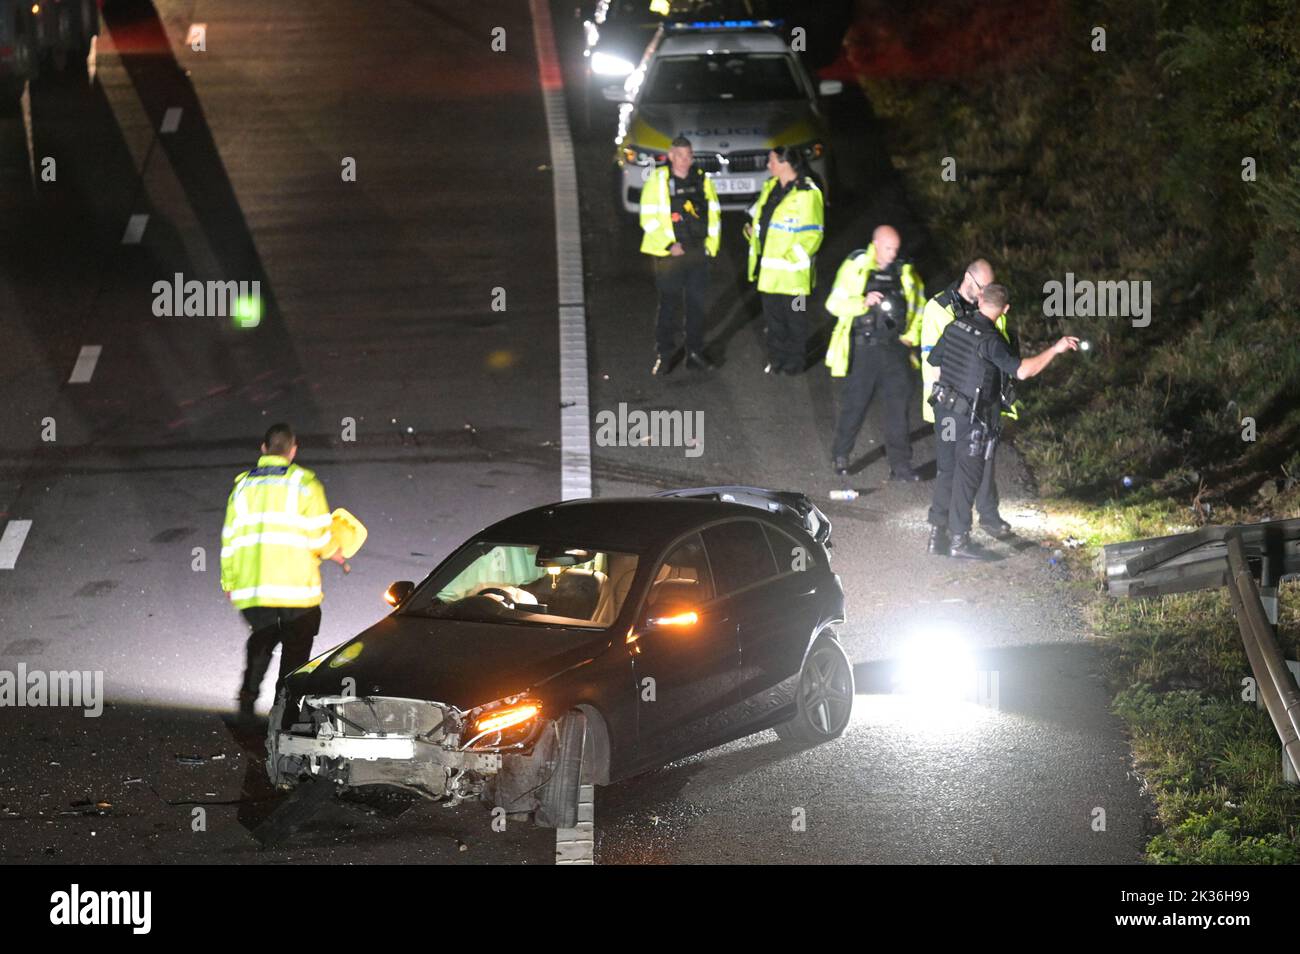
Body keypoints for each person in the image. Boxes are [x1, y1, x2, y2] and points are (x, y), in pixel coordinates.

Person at [927, 285, 1078, 558]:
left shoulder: (955, 326)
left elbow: (934, 360)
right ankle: (959, 542)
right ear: (1005, 309)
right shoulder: (991, 340)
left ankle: (936, 535)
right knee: (966, 478)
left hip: (945, 416)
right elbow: (1022, 371)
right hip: (970, 423)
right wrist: (1055, 349)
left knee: (946, 471)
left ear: (980, 299)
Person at [220, 423, 345, 721]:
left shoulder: (243, 485)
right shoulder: (306, 484)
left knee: (262, 641)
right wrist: (334, 552)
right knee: (296, 654)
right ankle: (286, 711)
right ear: (293, 450)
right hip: (297, 592)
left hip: (255, 590)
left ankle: (247, 700)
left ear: (264, 449)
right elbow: (319, 537)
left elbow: (230, 538)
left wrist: (229, 580)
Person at [919, 259, 1017, 549]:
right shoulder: (940, 309)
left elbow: (1004, 353)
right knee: (953, 469)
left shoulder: (988, 308)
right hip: (955, 406)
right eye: (982, 287)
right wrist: (947, 403)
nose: (985, 293)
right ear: (967, 279)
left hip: (983, 405)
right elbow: (934, 360)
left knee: (982, 462)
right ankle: (950, 533)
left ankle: (982, 517)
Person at [824, 225, 926, 479]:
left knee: (897, 408)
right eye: (888, 248)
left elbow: (919, 306)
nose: (892, 254)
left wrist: (909, 337)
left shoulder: (905, 271)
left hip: (895, 349)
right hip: (864, 348)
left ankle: (900, 465)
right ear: (876, 244)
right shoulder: (856, 266)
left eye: (896, 248)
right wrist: (862, 302)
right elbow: (833, 304)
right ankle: (841, 455)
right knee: (855, 405)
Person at [640, 136, 721, 375]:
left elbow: (714, 214)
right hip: (671, 255)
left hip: (698, 252)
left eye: (689, 155)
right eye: (680, 155)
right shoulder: (658, 181)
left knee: (696, 306)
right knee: (669, 305)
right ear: (671, 156)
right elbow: (648, 218)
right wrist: (668, 245)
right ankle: (664, 355)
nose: (685, 160)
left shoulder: (702, 180)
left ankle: (694, 352)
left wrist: (710, 246)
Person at [744, 145, 825, 374]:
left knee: (796, 319)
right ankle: (777, 359)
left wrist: (792, 258)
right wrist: (752, 232)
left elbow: (814, 233)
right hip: (770, 274)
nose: (768, 165)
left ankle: (796, 361)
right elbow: (762, 221)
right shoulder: (770, 187)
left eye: (772, 161)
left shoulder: (808, 194)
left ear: (785, 164)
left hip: (795, 278)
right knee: (774, 320)